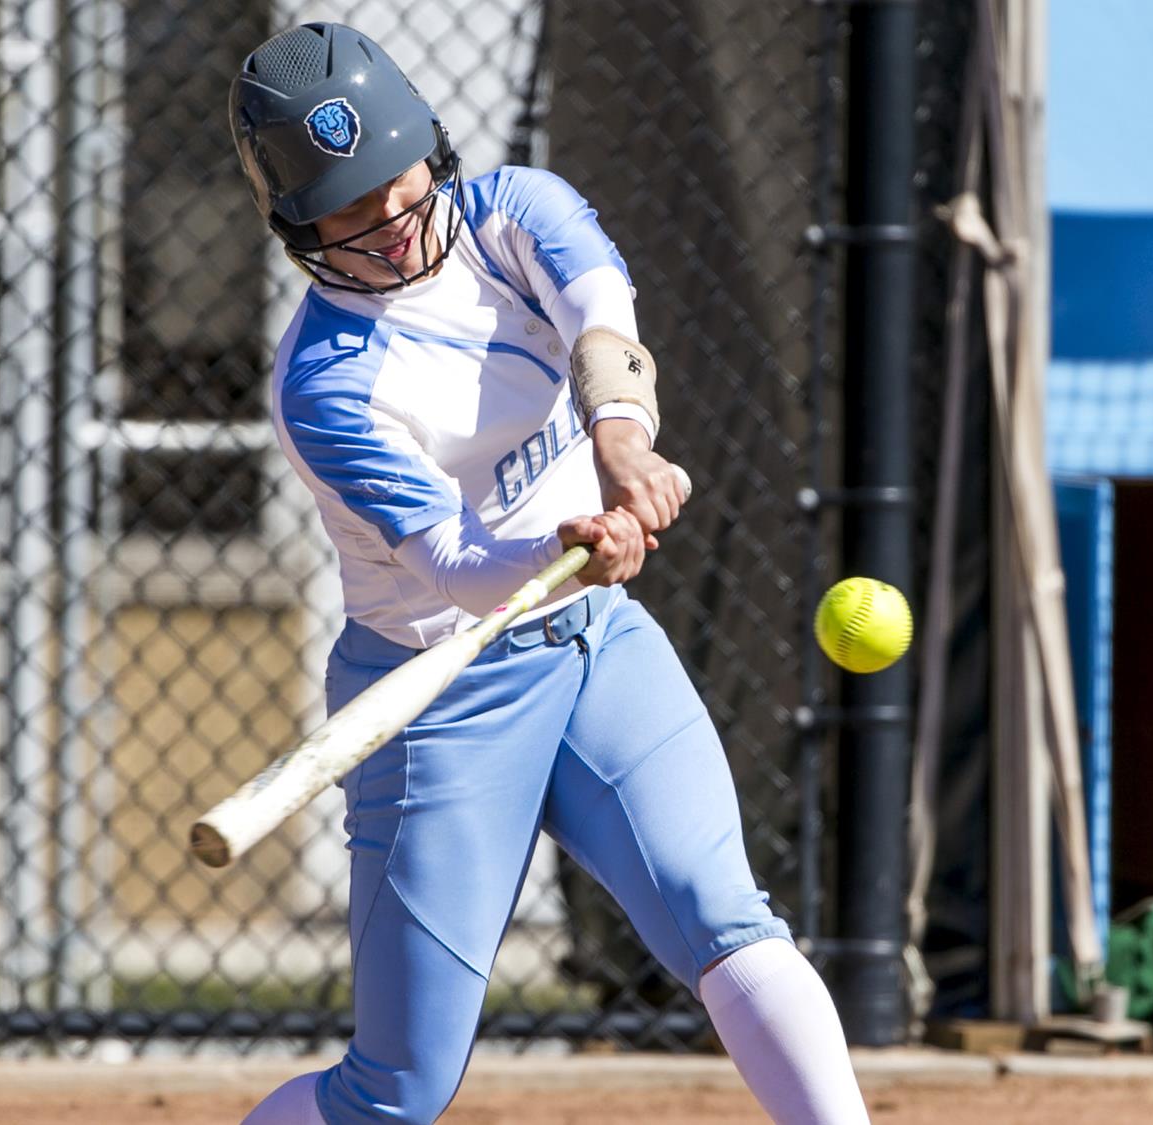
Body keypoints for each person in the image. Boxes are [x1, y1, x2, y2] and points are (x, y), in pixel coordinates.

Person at [229, 22, 870, 1125]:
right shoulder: (325, 384)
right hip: (439, 695)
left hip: (592, 647)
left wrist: (619, 439)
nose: (387, 220)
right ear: (296, 226)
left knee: (724, 916)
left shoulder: (515, 211)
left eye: (399, 182)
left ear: (432, 150)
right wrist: (569, 546)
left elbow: (600, 322)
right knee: (397, 1089)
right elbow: (456, 569)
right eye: (347, 207)